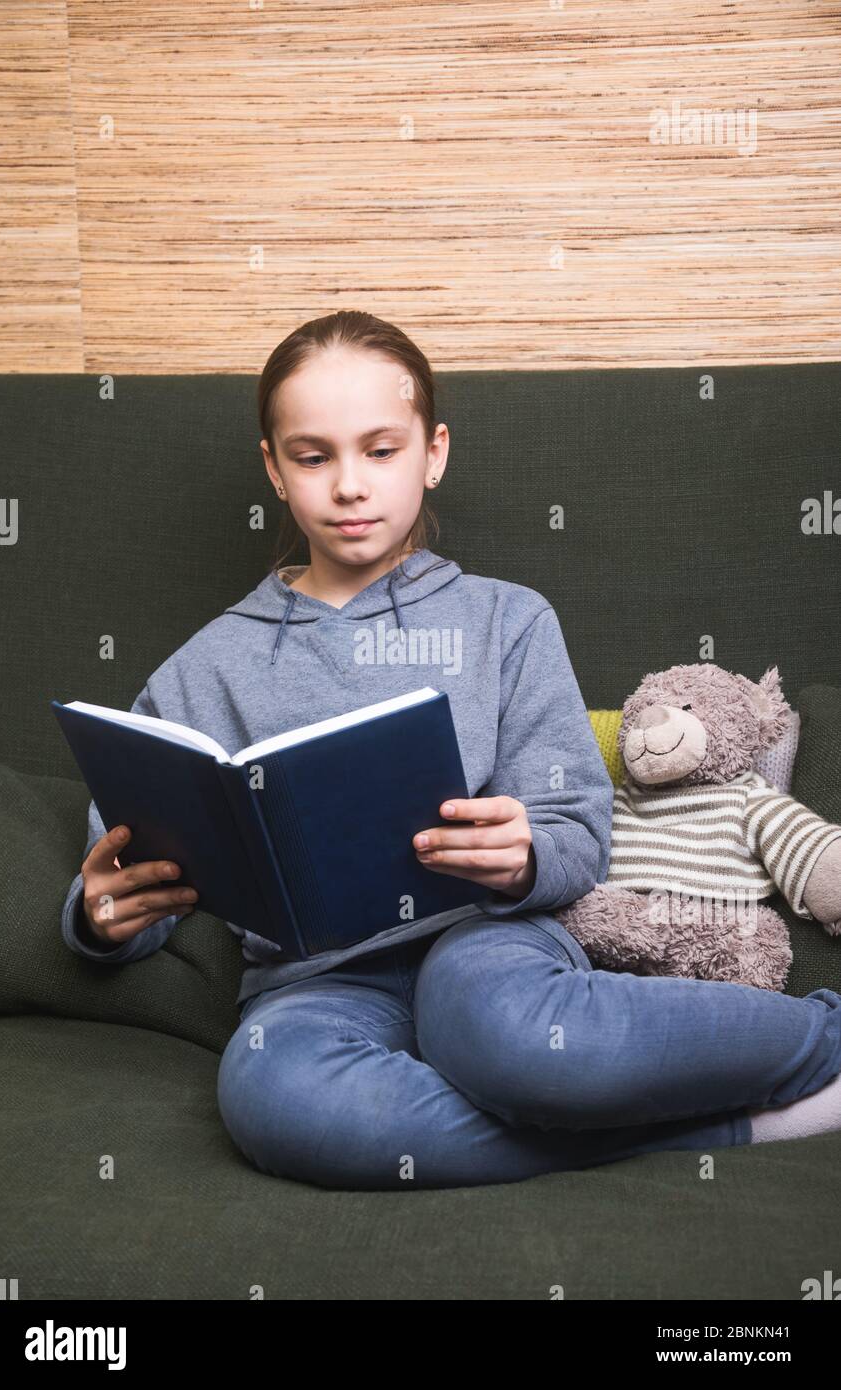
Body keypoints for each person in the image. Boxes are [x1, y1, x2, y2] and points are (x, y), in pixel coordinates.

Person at [61, 309, 841, 1191]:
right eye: (313, 457)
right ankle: (716, 1126)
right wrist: (102, 921)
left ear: (433, 453)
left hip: (485, 945)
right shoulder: (201, 672)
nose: (350, 486)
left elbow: (580, 837)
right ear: (274, 471)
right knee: (269, 1093)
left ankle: (824, 1039)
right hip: (312, 988)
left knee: (506, 1037)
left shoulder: (507, 622)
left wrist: (523, 857)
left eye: (380, 450)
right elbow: (135, 872)